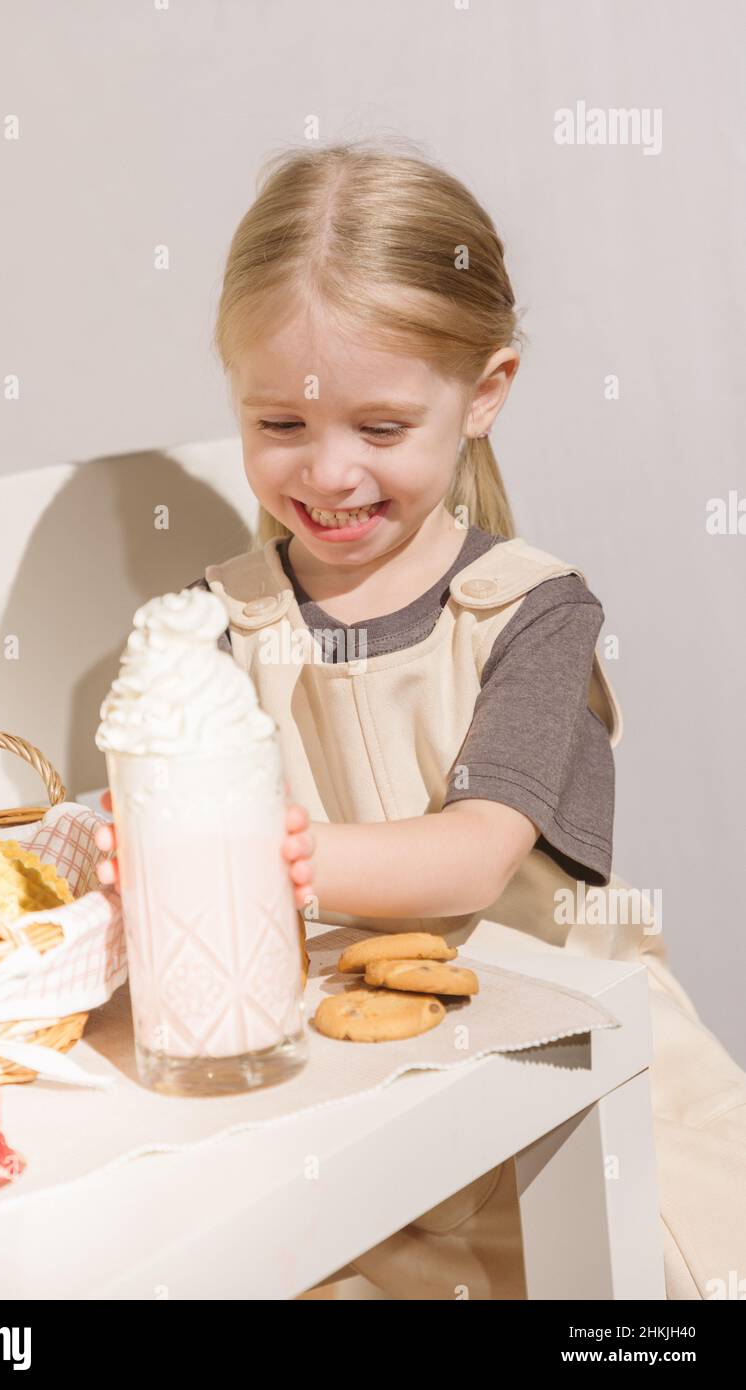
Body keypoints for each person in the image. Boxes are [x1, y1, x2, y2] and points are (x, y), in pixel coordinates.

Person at [95, 141, 746, 1301]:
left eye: (380, 428)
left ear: (482, 393)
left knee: (669, 1275)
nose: (328, 471)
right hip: (352, 1084)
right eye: (280, 425)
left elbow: (471, 852)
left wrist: (266, 854)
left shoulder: (531, 615)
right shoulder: (209, 626)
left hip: (571, 1059)